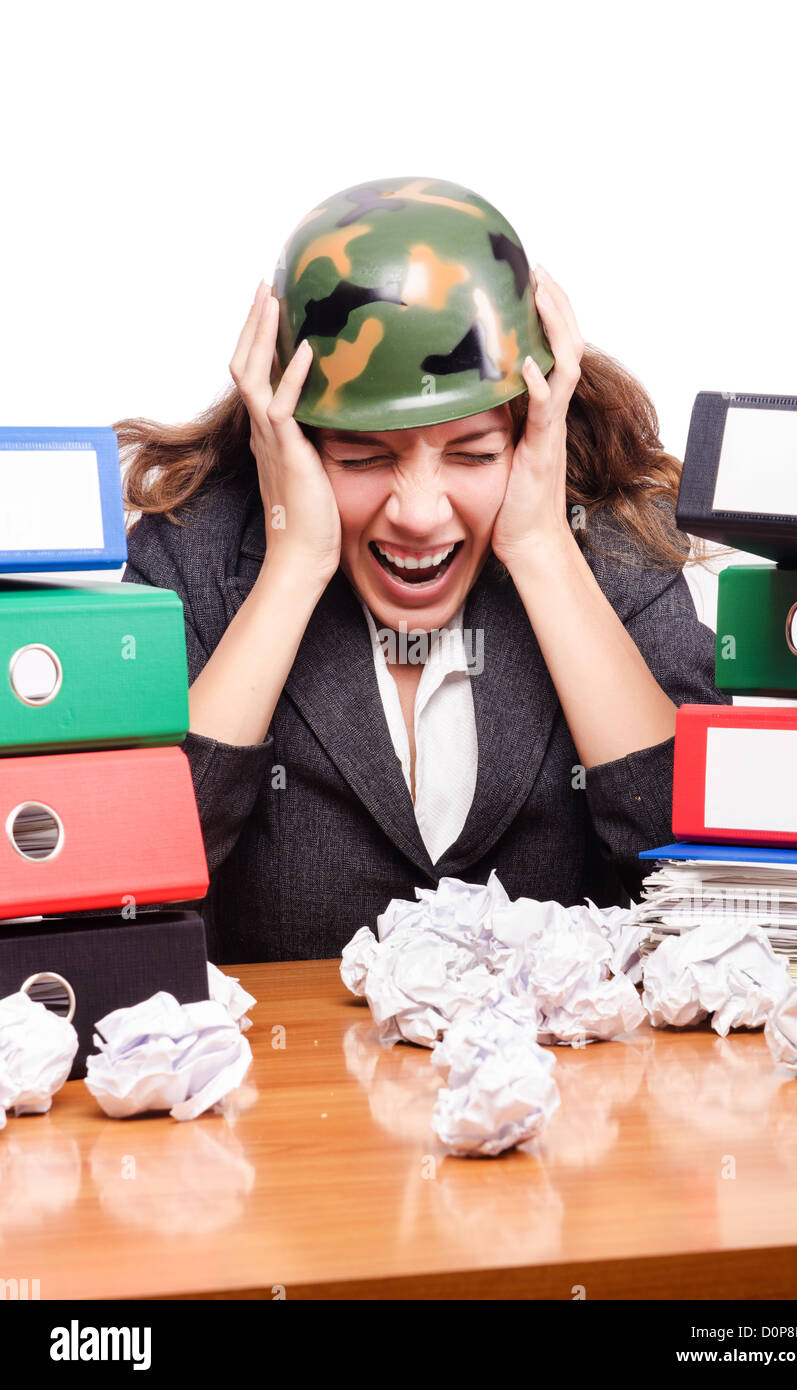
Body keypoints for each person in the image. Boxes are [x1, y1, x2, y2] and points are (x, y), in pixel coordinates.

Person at [115, 175, 730, 964]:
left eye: (472, 454)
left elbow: (710, 897)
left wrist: (543, 550)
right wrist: (293, 564)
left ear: (528, 434)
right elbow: (124, 885)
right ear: (288, 440)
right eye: (361, 458)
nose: (418, 512)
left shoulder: (609, 552)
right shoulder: (194, 558)